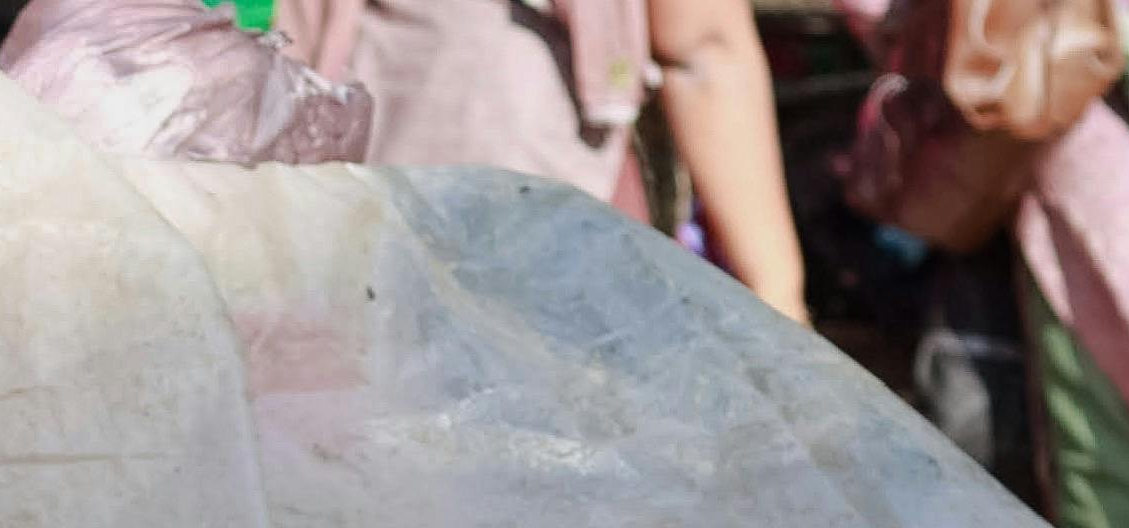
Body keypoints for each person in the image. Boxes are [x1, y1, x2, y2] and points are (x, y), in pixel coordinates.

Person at [298, 0, 808, 324]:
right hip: (521, 223)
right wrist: (778, 298)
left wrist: (778, 295)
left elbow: (704, 50)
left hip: (353, 210)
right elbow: (703, 49)